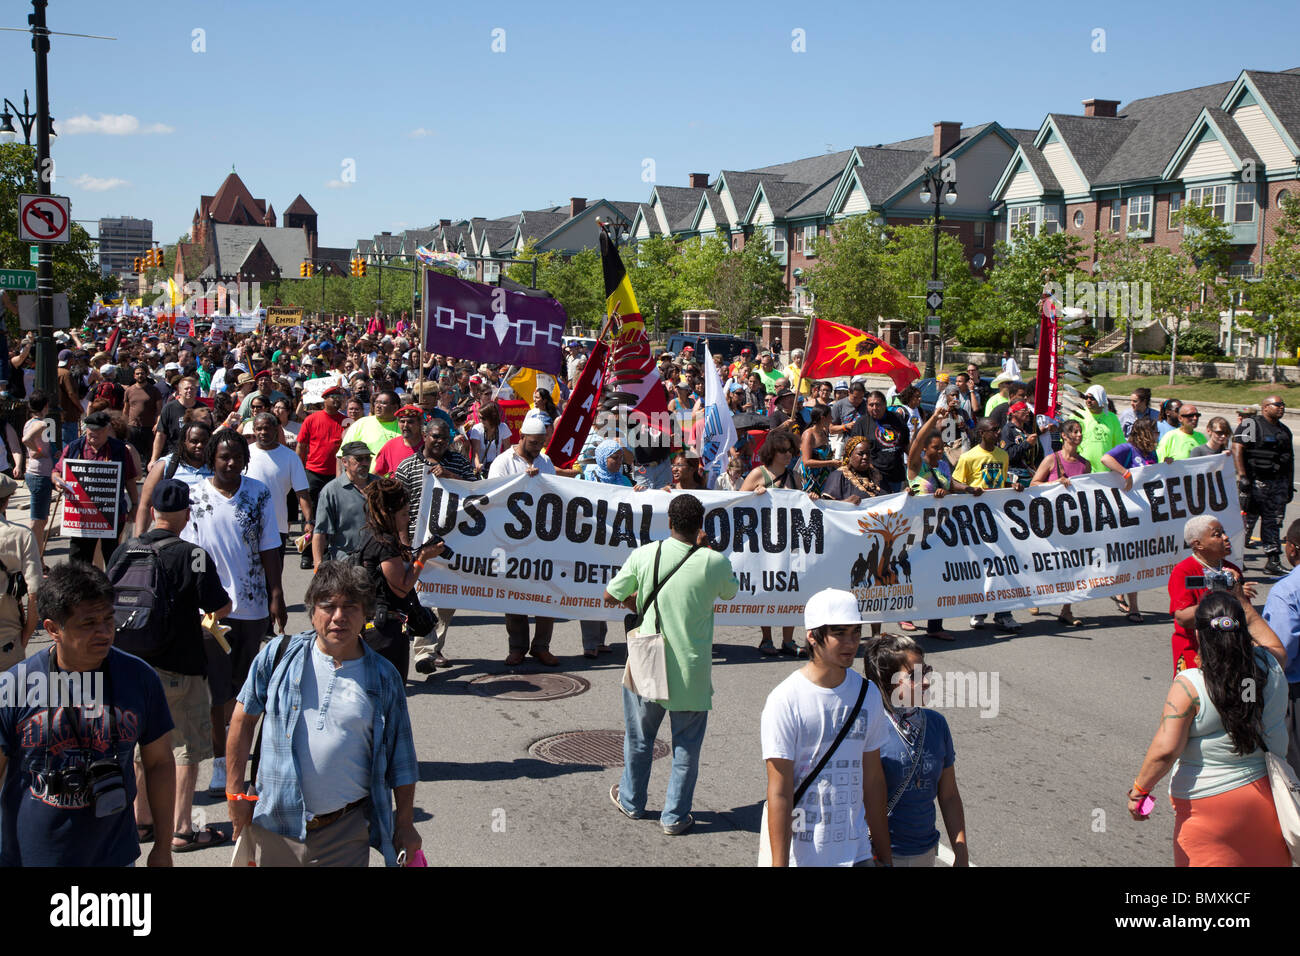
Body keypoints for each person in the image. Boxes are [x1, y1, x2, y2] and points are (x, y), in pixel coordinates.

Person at [224, 561, 420, 867]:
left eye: (350, 607)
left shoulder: (384, 677)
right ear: (313, 612)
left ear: (365, 614)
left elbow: (402, 760)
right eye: (328, 606)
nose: (338, 616)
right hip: (274, 827)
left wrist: (405, 824)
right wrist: (234, 793)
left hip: (345, 833)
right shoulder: (278, 656)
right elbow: (242, 720)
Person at [0, 562, 175, 867]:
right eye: (88, 623)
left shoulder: (140, 678)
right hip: (28, 858)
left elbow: (159, 763)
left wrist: (162, 847)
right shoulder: (15, 686)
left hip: (113, 857)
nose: (104, 632)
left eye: (109, 619)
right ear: (53, 628)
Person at [107, 479, 232, 852]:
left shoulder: (125, 549)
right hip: (180, 665)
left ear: (155, 512)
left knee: (139, 746)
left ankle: (140, 820)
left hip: (128, 667)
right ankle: (181, 828)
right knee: (185, 748)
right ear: (186, 515)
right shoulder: (193, 555)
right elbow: (219, 606)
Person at [606, 494, 739, 836]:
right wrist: (708, 549)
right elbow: (730, 593)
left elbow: (610, 595)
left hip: (648, 658)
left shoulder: (645, 554)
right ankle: (675, 817)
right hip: (691, 668)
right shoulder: (713, 561)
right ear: (700, 527)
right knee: (686, 746)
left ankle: (632, 801)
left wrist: (638, 600)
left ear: (669, 522)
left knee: (639, 737)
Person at [1128, 592, 1289, 866]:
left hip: (1208, 806)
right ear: (1243, 628)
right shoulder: (1271, 666)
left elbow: (1166, 750)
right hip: (1269, 800)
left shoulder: (1189, 684)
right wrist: (1244, 606)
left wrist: (1139, 790)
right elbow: (1275, 645)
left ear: (1200, 636)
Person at [181, 429, 284, 796]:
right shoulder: (194, 496)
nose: (231, 463)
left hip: (253, 606)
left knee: (245, 689)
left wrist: (276, 594)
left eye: (237, 457)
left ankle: (240, 760)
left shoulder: (258, 493)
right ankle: (220, 764)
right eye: (224, 457)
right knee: (217, 691)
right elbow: (188, 555)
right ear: (212, 458)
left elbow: (270, 546)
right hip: (210, 612)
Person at [760, 588, 892, 866]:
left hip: (858, 855)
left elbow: (874, 780)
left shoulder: (868, 695)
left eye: (855, 632)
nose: (851, 642)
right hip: (802, 858)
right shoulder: (785, 700)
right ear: (812, 635)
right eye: (839, 633)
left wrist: (884, 854)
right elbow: (779, 791)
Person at [863, 632, 968, 866]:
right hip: (876, 855)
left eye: (926, 671)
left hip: (925, 853)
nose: (927, 681)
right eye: (914, 676)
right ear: (886, 679)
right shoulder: (869, 728)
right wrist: (882, 857)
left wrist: (961, 850)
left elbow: (949, 794)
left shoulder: (937, 724)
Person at [395, 420, 478, 671]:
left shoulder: (459, 463)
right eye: (435, 437)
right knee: (415, 597)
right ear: (424, 436)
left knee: (443, 598)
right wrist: (402, 542)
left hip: (448, 543)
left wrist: (450, 476)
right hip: (415, 542)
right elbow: (397, 506)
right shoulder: (408, 466)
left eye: (444, 437)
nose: (440, 441)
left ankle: (428, 650)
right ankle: (417, 647)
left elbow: (478, 492)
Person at [355, 477, 446, 679]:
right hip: (384, 632)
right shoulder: (384, 542)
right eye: (404, 514)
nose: (407, 519)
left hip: (375, 627)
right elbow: (401, 588)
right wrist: (423, 558)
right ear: (388, 514)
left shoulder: (373, 535)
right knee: (390, 693)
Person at [954, 418, 1022, 633]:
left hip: (998, 518)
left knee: (1003, 564)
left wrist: (1013, 486)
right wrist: (968, 489)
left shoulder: (1002, 455)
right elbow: (954, 482)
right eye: (993, 430)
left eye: (998, 429)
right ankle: (978, 610)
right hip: (976, 519)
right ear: (982, 433)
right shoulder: (969, 457)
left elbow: (1000, 483)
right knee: (982, 566)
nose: (998, 432)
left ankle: (1004, 613)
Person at [52, 409, 141, 567]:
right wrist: (58, 480)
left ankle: (111, 589)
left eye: (98, 431)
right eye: (90, 430)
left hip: (112, 514)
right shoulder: (74, 447)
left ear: (107, 430)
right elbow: (56, 471)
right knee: (78, 559)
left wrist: (135, 505)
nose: (93, 434)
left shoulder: (120, 450)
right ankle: (80, 590)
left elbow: (129, 479)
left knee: (112, 557)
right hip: (82, 517)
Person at [741, 431, 800, 655]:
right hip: (764, 540)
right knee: (766, 587)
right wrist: (754, 495)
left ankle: (788, 639)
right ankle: (766, 638)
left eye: (790, 450)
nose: (788, 455)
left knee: (791, 588)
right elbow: (738, 503)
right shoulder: (758, 474)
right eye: (783, 450)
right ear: (772, 452)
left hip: (789, 540)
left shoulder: (795, 477)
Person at [1029, 419, 1091, 627]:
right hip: (1051, 521)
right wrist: (1054, 484)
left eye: (1080, 431)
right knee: (1048, 563)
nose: (1078, 435)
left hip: (1073, 523)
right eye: (1074, 431)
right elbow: (1034, 484)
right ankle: (1036, 596)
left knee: (1072, 566)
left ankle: (1066, 609)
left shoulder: (1084, 464)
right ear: (1064, 436)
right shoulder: (1051, 460)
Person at [1168, 515, 1247, 676]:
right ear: (1198, 544)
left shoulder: (1232, 570)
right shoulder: (1184, 571)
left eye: (1224, 532)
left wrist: (1241, 597)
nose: (1225, 538)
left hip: (1229, 652)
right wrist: (1222, 596)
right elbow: (1183, 618)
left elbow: (1245, 615)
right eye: (1217, 535)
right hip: (1195, 653)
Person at [1099, 418, 1161, 624]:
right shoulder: (1128, 449)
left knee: (1136, 559)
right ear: (1144, 433)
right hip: (1123, 514)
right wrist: (1125, 472)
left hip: (1144, 515)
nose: (1157, 436)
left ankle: (1130, 601)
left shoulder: (1151, 454)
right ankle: (1121, 593)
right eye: (1154, 432)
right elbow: (1105, 459)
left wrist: (1167, 465)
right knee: (1125, 558)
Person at [1234, 396, 1294, 577]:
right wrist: (1242, 476)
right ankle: (1236, 559)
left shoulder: (1284, 430)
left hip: (1278, 484)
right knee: (1246, 523)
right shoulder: (1251, 425)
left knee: (1274, 522)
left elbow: (1289, 459)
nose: (1281, 408)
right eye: (1277, 405)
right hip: (1255, 482)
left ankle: (1273, 560)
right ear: (1265, 407)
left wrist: (1289, 486)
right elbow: (1237, 448)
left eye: (1283, 404)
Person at [1262, 519, 1300, 777]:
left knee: (1289, 774)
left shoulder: (1286, 591)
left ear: (1292, 549)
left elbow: (1280, 651)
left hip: (1293, 693)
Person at [245, 412, 312, 548]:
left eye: (267, 428)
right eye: (259, 429)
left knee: (274, 569)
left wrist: (309, 520)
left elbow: (302, 493)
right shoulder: (244, 454)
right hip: (247, 526)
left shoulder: (290, 457)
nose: (263, 432)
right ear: (254, 431)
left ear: (276, 430)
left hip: (277, 527)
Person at [136, 421, 213, 535]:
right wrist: (139, 539)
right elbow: (146, 505)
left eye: (204, 442)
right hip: (174, 540)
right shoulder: (166, 465)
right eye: (194, 441)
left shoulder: (217, 467)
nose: (200, 445)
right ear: (184, 442)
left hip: (209, 538)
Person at [0, 475, 38, 672]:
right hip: (8, 643)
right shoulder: (21, 536)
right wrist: (26, 636)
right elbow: (35, 593)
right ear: (7, 501)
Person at [850, 391, 909, 493]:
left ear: (885, 404)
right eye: (871, 405)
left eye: (878, 404)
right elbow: (853, 451)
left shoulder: (897, 418)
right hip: (873, 477)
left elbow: (906, 444)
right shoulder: (861, 423)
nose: (874, 408)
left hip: (896, 475)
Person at [20, 390, 53, 563]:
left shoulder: (31, 422)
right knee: (38, 520)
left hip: (39, 473)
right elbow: (26, 439)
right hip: (39, 474)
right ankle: (34, 560)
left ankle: (37, 558)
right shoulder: (41, 423)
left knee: (42, 519)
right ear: (45, 406)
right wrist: (37, 450)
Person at [815, 436, 881, 504]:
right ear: (849, 456)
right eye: (860, 454)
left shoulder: (876, 474)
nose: (865, 457)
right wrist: (846, 503)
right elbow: (827, 506)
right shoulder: (839, 476)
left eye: (868, 453)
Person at [339, 388, 401, 461]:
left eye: (383, 403)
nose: (378, 406)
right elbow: (341, 455)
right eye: (376, 402)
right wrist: (341, 472)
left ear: (395, 407)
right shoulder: (361, 424)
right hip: (367, 472)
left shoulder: (404, 425)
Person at [150, 375, 199, 467]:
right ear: (179, 391)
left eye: (192, 388)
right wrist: (154, 459)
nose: (189, 391)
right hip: (173, 456)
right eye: (186, 388)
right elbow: (160, 435)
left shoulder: (202, 409)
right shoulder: (169, 408)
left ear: (196, 390)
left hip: (196, 457)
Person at [1074, 384, 1124, 472]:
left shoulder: (1112, 418)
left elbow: (1119, 444)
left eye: (1092, 398)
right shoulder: (1077, 416)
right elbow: (1068, 442)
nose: (1088, 401)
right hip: (1082, 469)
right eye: (1086, 398)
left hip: (1106, 469)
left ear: (1101, 398)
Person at [123, 363, 163, 461]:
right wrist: (124, 425)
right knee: (132, 453)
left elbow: (159, 410)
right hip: (133, 427)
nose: (140, 376)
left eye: (142, 373)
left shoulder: (154, 390)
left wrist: (157, 424)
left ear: (146, 374)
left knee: (148, 453)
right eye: (137, 374)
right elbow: (126, 410)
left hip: (149, 427)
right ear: (134, 375)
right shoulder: (129, 390)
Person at [374, 404, 424, 476]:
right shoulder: (390, 446)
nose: (405, 425)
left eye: (410, 422)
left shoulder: (428, 445)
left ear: (420, 423)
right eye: (402, 421)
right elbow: (377, 474)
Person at [799, 404, 838, 495]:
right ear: (823, 418)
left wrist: (830, 454)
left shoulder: (824, 432)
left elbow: (820, 454)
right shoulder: (809, 434)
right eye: (830, 416)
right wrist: (831, 462)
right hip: (811, 478)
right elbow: (807, 462)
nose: (832, 418)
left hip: (824, 476)